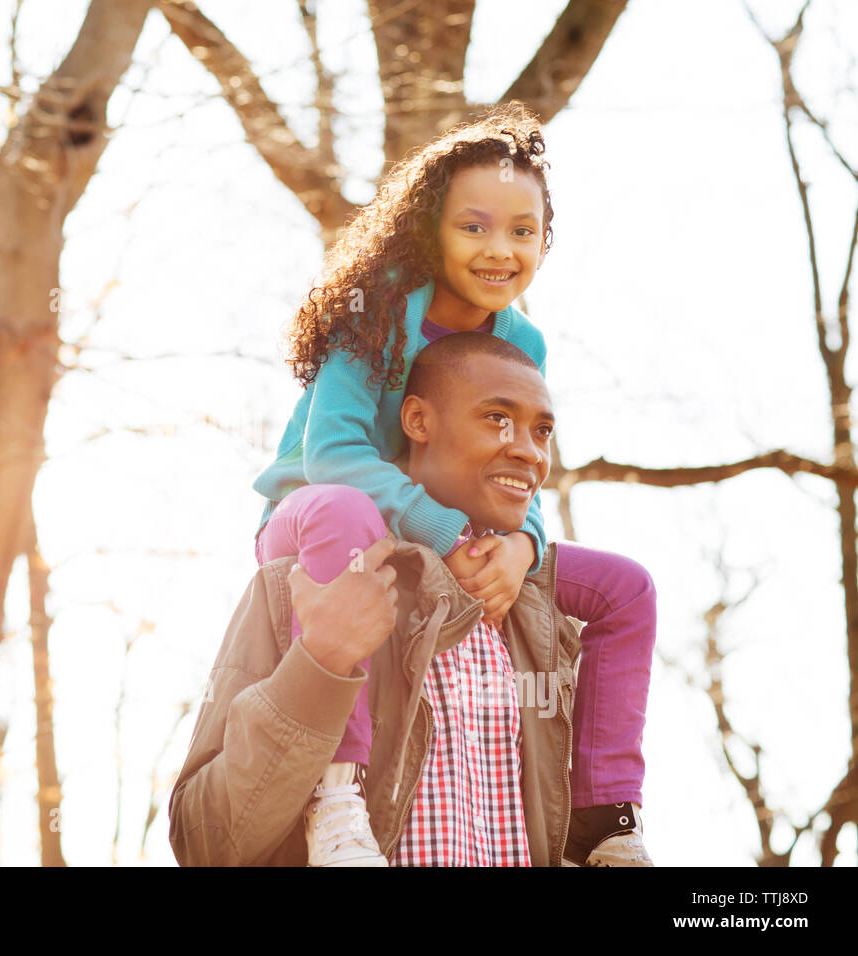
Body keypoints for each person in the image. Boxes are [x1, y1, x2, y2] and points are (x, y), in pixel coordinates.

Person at [251, 103, 655, 866]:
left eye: (523, 231)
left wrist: (522, 544)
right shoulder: (371, 314)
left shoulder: (523, 339)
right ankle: (336, 791)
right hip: (317, 524)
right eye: (474, 227)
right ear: (428, 226)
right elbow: (333, 453)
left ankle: (602, 817)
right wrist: (447, 530)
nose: (500, 249)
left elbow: (519, 469)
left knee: (625, 588)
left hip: (461, 543)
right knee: (342, 509)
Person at [170, 332, 610, 865]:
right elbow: (203, 843)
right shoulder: (309, 582)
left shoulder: (541, 621)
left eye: (542, 430)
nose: (527, 449)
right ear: (418, 423)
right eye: (496, 417)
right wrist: (319, 665)